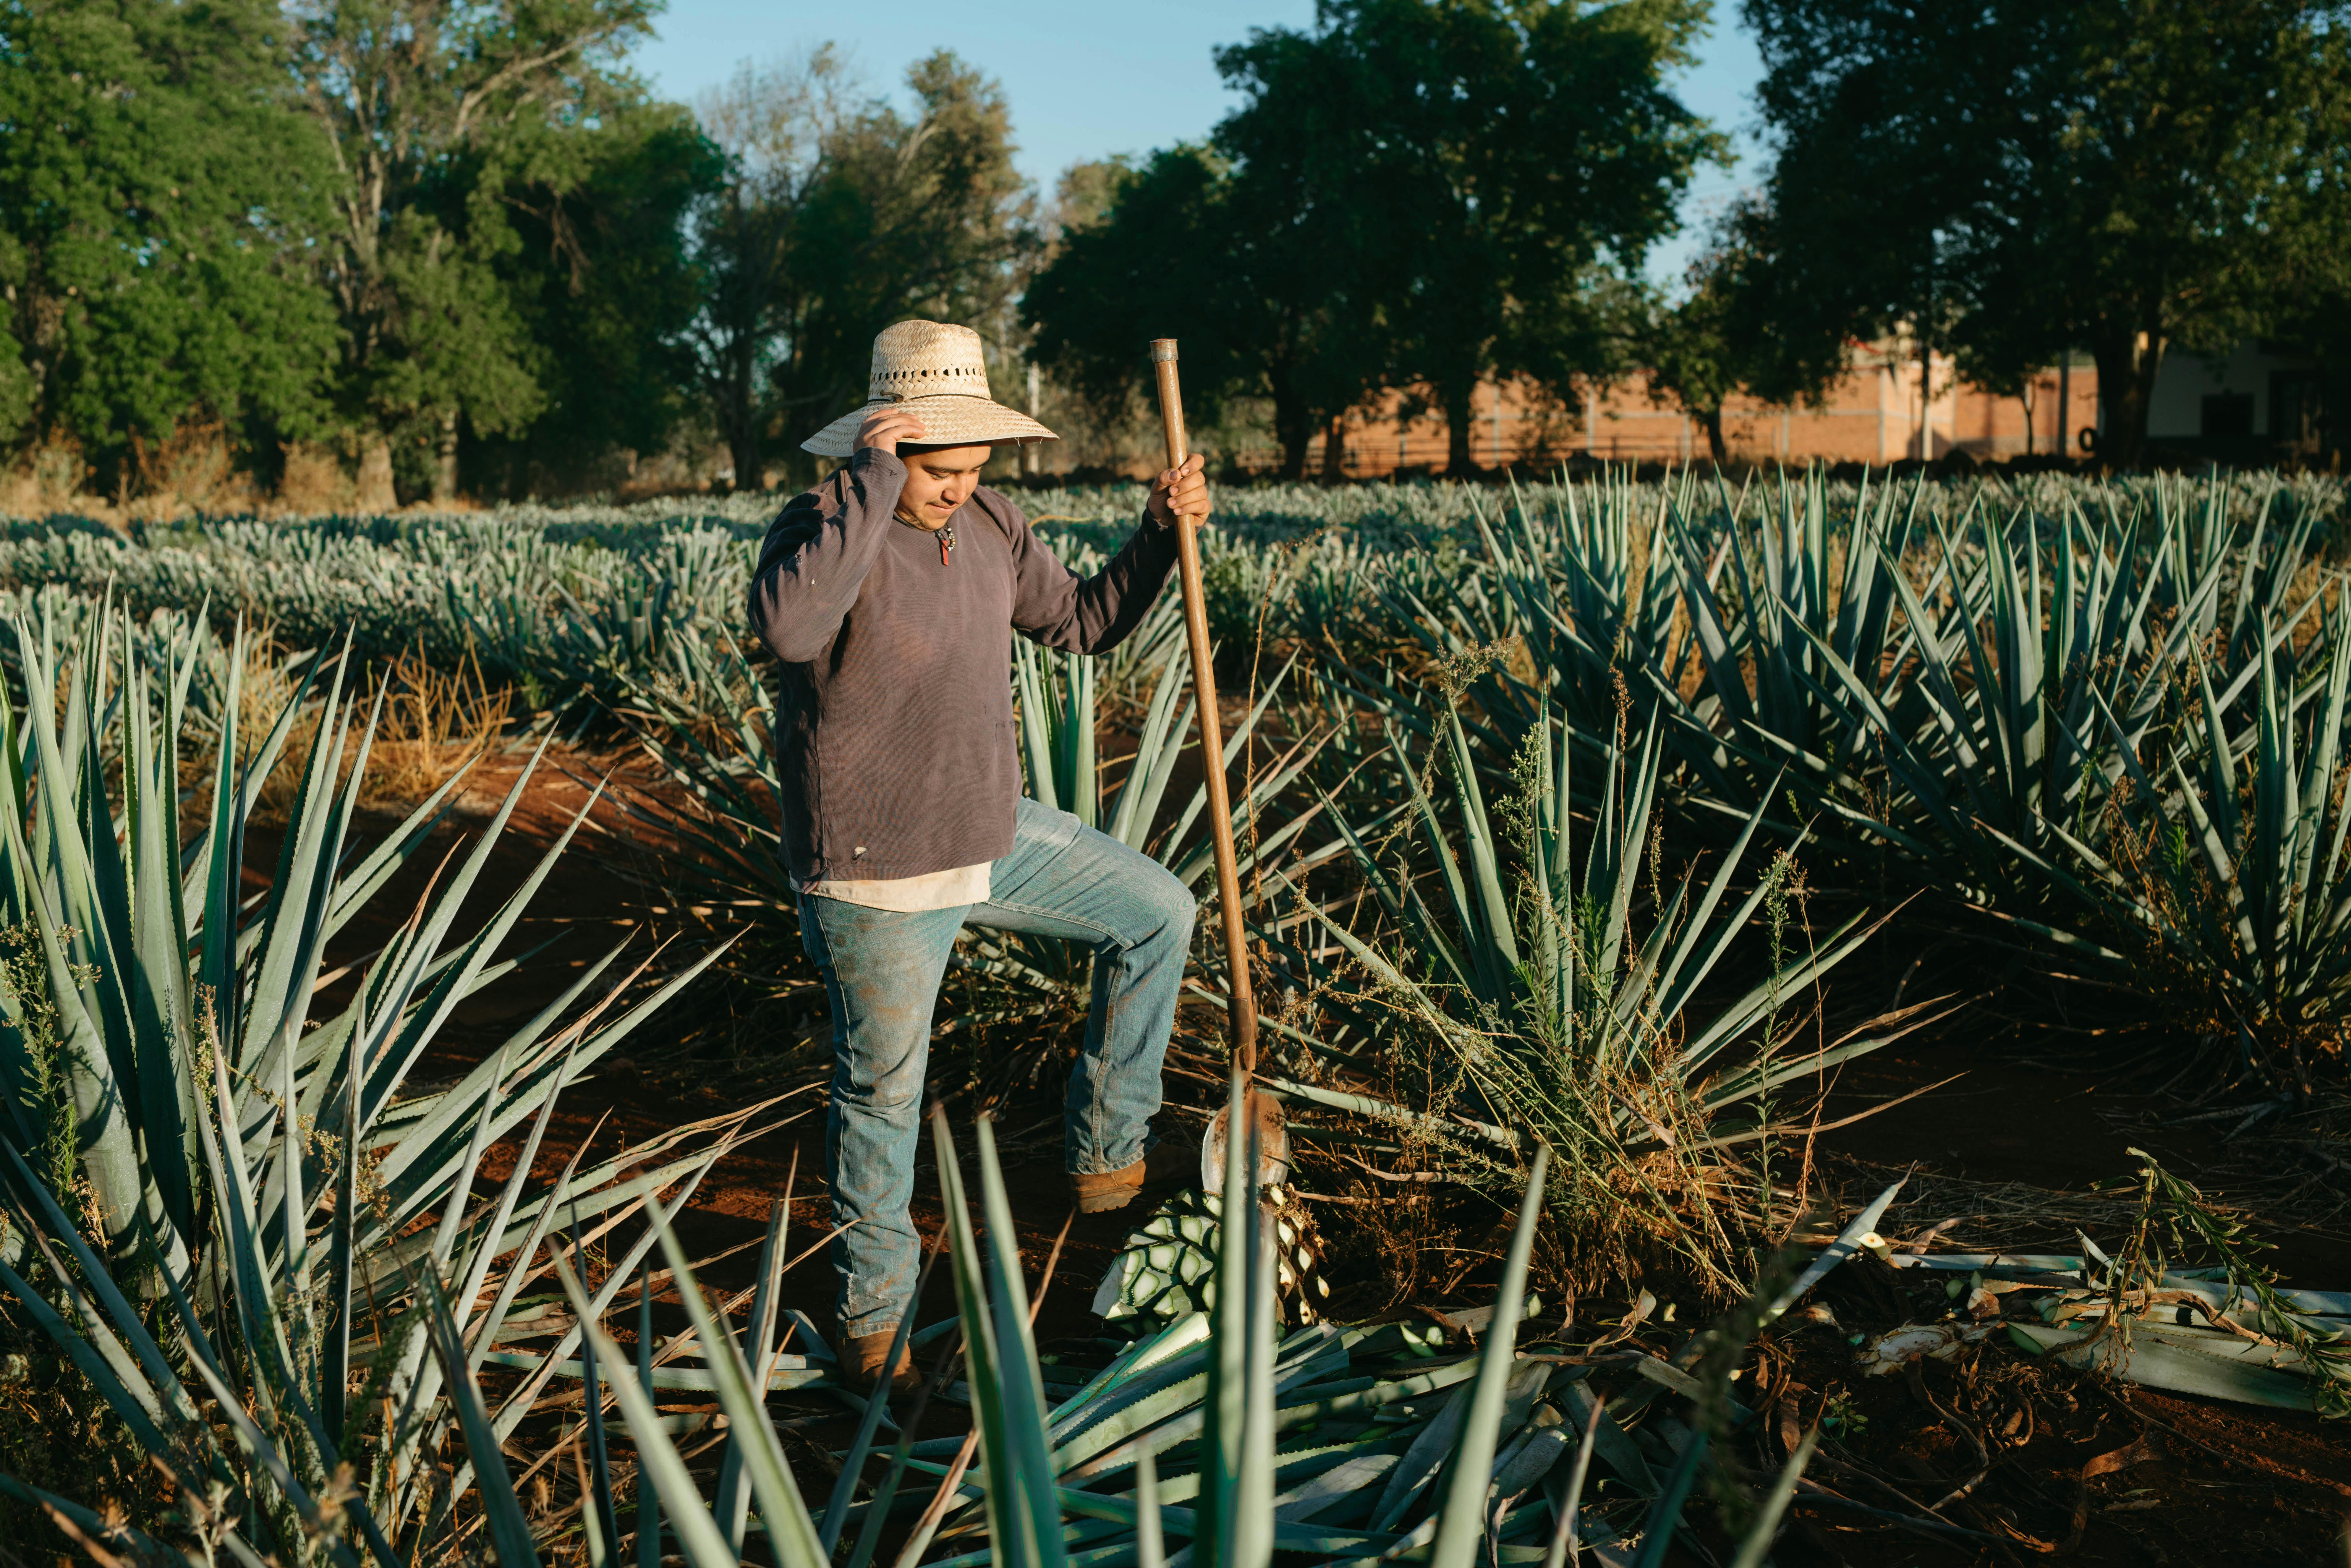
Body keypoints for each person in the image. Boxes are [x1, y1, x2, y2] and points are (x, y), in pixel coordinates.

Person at [746, 319, 1209, 1394]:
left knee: (1158, 913)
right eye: (935, 469)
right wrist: (872, 488)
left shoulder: (993, 522)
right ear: (885, 445)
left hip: (989, 835)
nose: (956, 487)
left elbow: (1083, 623)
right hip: (876, 872)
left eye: (972, 465)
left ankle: (1107, 1153)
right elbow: (790, 633)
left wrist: (1157, 534)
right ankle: (875, 1328)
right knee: (882, 1105)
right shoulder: (820, 523)